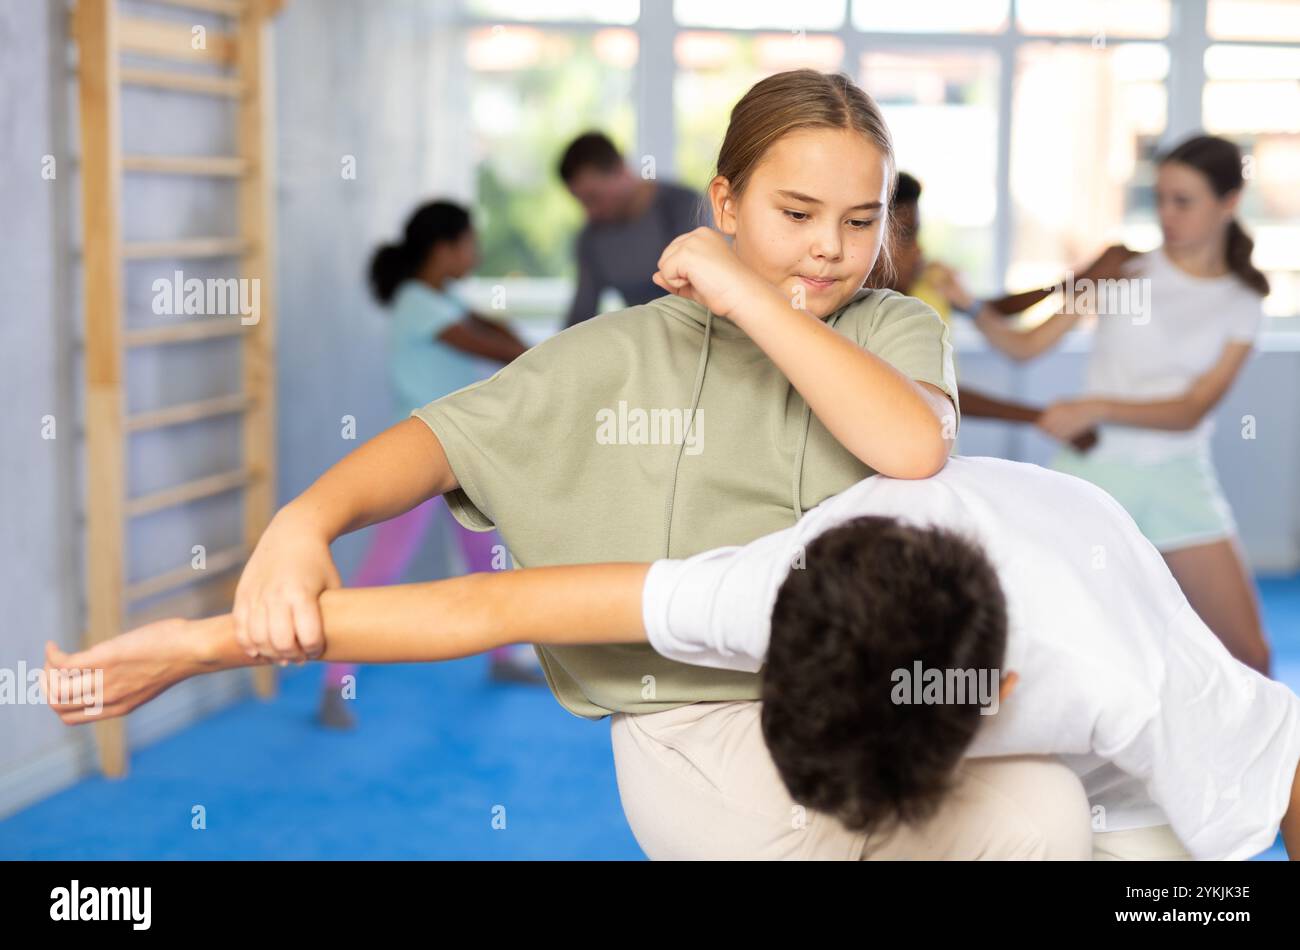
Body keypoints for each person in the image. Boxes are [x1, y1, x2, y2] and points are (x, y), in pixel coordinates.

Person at [199, 69, 1099, 858]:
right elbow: (443, 439)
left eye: (859, 221)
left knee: (1060, 812)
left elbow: (910, 444)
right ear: (725, 204)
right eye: (796, 214)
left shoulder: (897, 327)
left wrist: (746, 292)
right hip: (701, 733)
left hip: (862, 703)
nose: (830, 246)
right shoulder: (618, 351)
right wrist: (300, 521)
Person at [46, 455, 1300, 861]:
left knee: (1075, 832)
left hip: (1120, 776)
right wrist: (208, 639)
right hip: (950, 628)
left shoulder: (1131, 690)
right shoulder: (771, 584)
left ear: (993, 699)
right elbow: (487, 609)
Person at [963, 134, 1273, 676]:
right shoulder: (1123, 274)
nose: (1167, 216)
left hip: (1180, 481)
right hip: (1094, 477)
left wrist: (1096, 405)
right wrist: (967, 303)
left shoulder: (1243, 301)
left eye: (1185, 201)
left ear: (1229, 203)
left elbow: (1190, 410)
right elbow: (1024, 347)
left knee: (1251, 656)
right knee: (1044, 650)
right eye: (1162, 199)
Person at [319, 199, 542, 729]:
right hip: (415, 455)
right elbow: (485, 344)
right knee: (382, 570)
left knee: (487, 561)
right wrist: (534, 356)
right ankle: (333, 684)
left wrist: (528, 347)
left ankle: (503, 657)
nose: (477, 252)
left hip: (458, 454)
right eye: (470, 242)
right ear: (445, 248)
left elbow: (491, 328)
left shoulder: (440, 295)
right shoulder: (417, 301)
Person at [871, 171, 1100, 452]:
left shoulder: (928, 283)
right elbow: (940, 393)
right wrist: (1037, 416)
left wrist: (1068, 285)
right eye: (907, 236)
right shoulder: (863, 316)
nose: (919, 249)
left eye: (918, 234)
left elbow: (994, 310)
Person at [559, 131, 711, 327]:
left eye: (593, 198)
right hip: (643, 345)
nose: (590, 212)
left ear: (620, 169)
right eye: (582, 203)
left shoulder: (682, 206)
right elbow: (580, 315)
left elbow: (702, 292)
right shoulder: (591, 239)